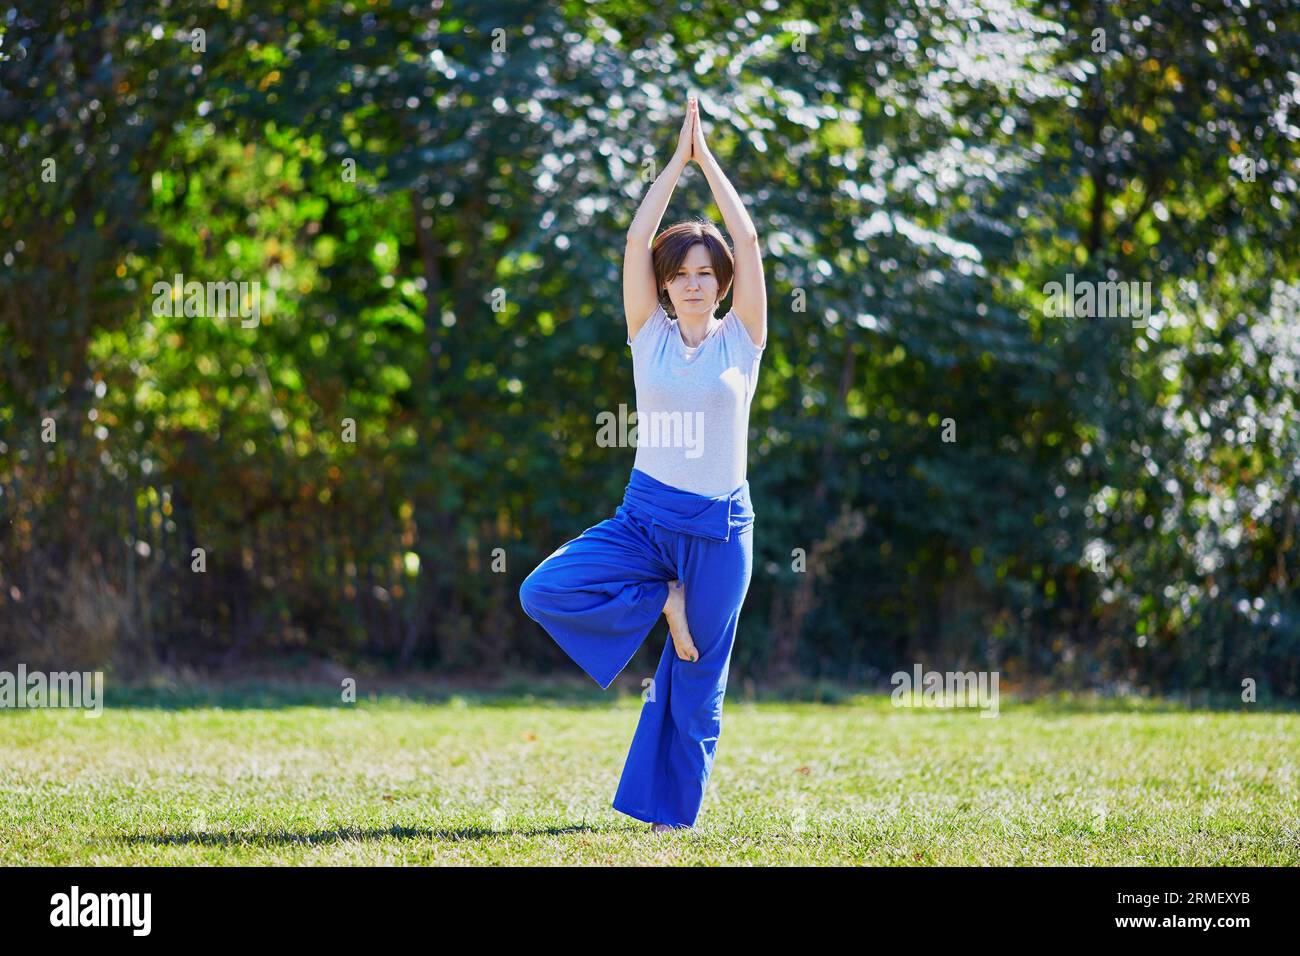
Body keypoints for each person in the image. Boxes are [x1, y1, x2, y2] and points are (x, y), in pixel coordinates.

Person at [519, 94, 767, 832]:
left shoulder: (742, 342)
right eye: (680, 272)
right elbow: (634, 242)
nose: (694, 282)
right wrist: (675, 163)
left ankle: (671, 821)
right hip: (646, 521)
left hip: (721, 532)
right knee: (544, 588)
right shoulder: (646, 336)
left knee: (696, 684)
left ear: (721, 282)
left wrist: (710, 163)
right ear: (664, 283)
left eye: (706, 272)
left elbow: (750, 243)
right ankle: (664, 596)